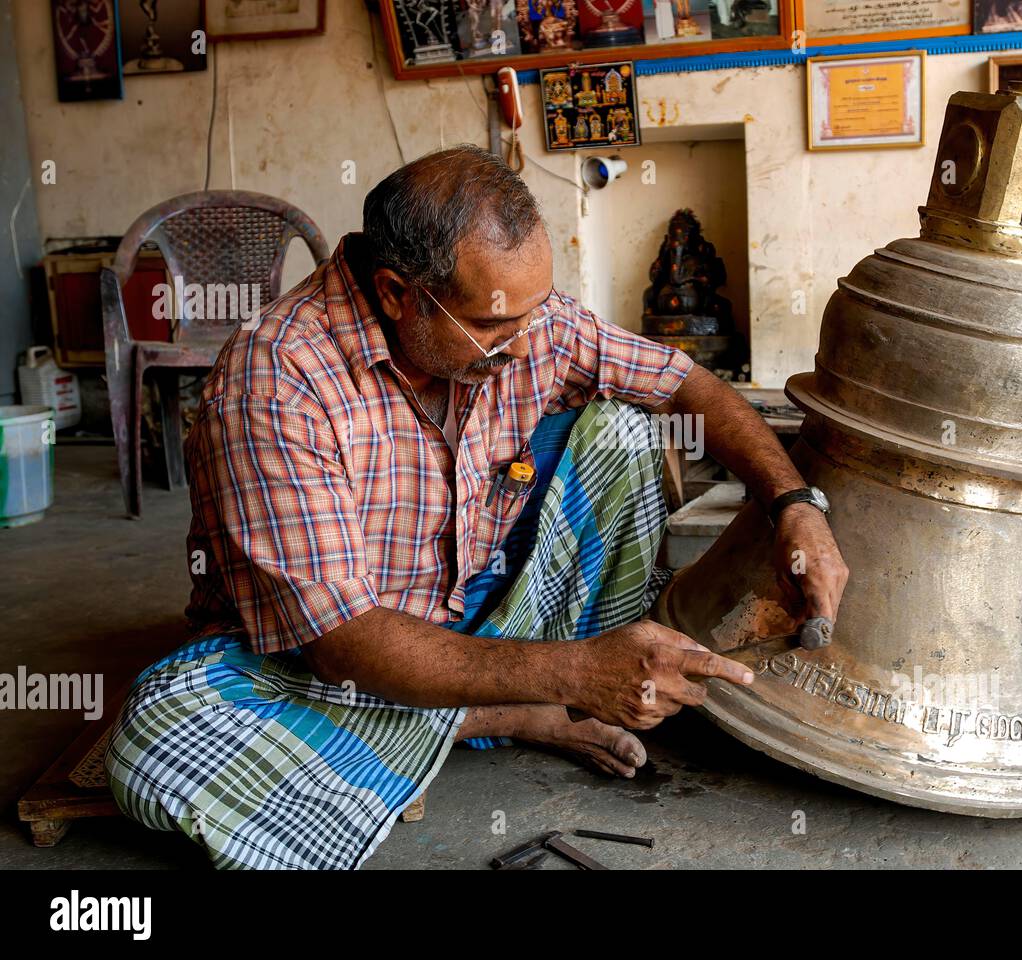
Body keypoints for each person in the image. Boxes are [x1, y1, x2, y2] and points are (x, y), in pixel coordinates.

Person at [106, 145, 847, 869]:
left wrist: (794, 503)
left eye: (532, 314)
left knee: (621, 429)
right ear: (397, 293)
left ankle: (481, 704)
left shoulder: (522, 318)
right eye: (494, 328)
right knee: (160, 745)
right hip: (325, 658)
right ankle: (498, 714)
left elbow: (685, 383)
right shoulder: (276, 383)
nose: (528, 343)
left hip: (475, 611)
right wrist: (572, 675)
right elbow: (344, 642)